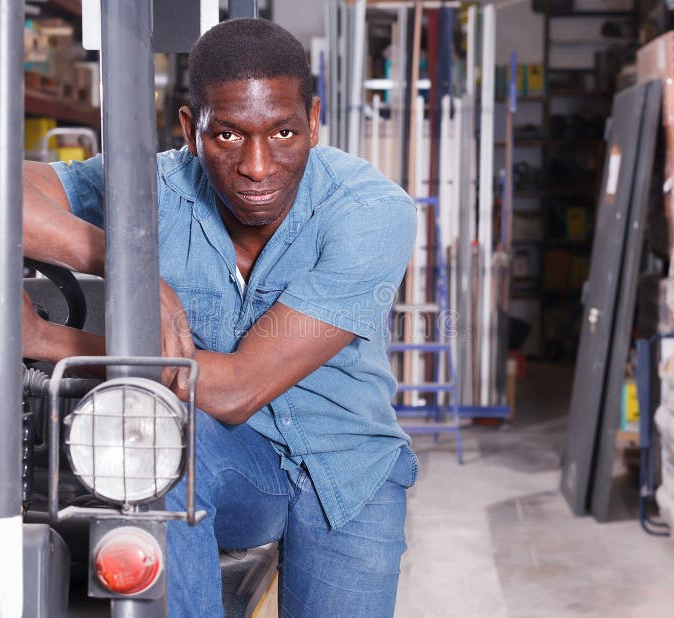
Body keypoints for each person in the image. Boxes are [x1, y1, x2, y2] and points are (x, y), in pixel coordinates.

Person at [22, 18, 417, 617]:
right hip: (234, 457)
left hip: (348, 466)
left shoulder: (370, 212)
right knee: (162, 452)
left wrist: (52, 339)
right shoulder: (153, 186)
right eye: (228, 136)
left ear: (312, 121)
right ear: (191, 128)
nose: (257, 166)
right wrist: (118, 258)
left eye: (283, 132)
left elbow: (237, 388)